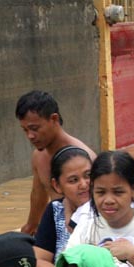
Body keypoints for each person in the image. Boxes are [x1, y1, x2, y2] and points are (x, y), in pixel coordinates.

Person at [15, 90, 95, 235]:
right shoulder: (38, 157)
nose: (30, 136)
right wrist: (30, 227)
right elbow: (38, 195)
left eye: (34, 128)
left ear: (54, 119)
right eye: (25, 130)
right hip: (57, 231)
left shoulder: (84, 157)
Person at [33, 146, 93, 267]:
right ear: (57, 185)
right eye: (73, 180)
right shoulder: (55, 210)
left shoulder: (108, 208)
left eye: (88, 175)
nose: (84, 185)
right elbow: (38, 260)